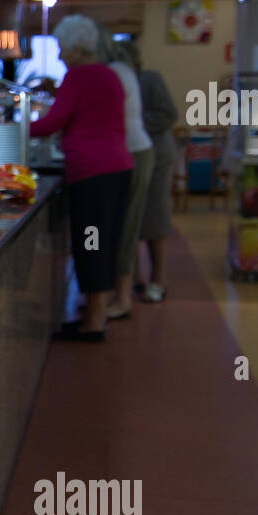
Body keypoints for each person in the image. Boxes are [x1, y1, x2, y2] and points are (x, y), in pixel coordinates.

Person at [30, 15, 132, 341]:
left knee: (91, 244)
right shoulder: (109, 76)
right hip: (118, 168)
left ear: (76, 47)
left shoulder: (78, 76)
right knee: (105, 242)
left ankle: (94, 323)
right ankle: (94, 315)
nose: (59, 55)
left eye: (62, 48)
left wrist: (9, 129)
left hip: (92, 172)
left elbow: (52, 123)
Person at [98, 36, 152, 320]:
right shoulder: (124, 70)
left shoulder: (116, 72)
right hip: (133, 152)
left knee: (126, 229)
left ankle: (122, 298)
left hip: (132, 154)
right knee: (123, 228)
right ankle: (114, 296)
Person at [128, 41, 178, 302]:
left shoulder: (150, 80)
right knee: (132, 218)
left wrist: (134, 124)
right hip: (130, 158)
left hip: (157, 156)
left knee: (155, 218)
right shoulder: (121, 83)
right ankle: (136, 277)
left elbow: (169, 113)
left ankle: (158, 279)